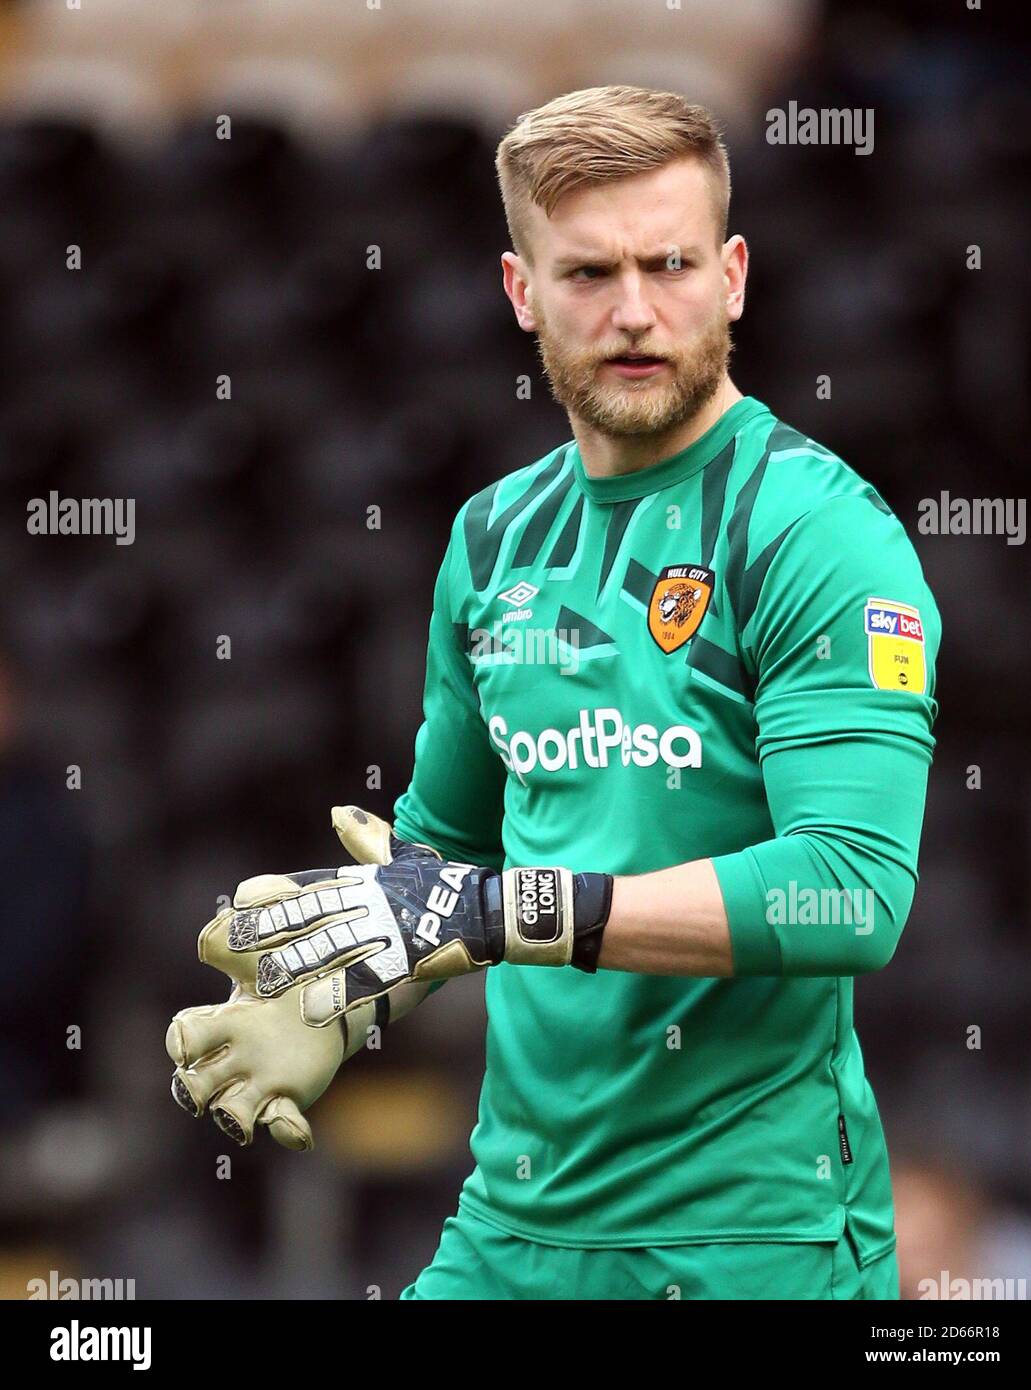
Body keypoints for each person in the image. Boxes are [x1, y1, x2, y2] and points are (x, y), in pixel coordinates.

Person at [170, 85, 939, 1301]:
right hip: (514, 1228)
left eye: (671, 263)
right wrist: (335, 996)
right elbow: (444, 862)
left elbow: (849, 893)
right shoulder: (492, 540)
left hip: (754, 1240)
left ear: (734, 275)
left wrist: (500, 912)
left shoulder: (818, 532)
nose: (635, 312)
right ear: (522, 292)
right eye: (587, 274)